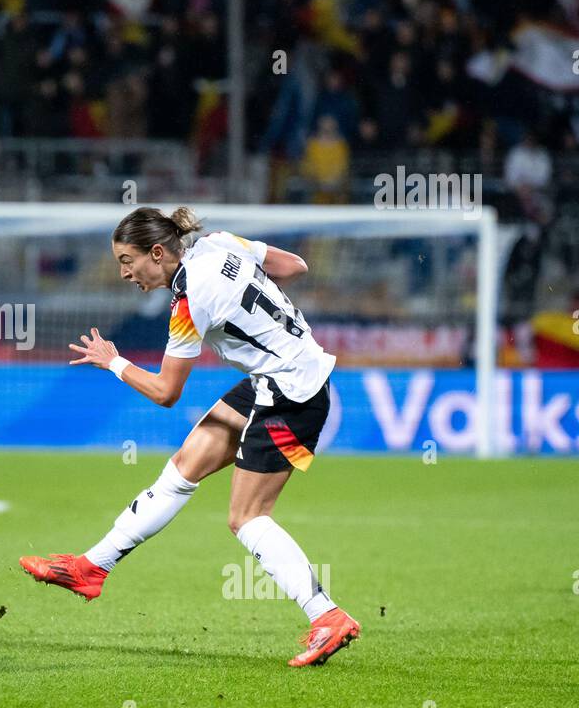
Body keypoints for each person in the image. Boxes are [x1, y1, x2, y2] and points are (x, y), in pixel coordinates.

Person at [20, 207, 360, 667]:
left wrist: (113, 362)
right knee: (185, 466)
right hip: (276, 380)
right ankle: (92, 568)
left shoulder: (189, 300)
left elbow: (166, 393)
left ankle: (328, 616)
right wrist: (256, 306)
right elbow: (296, 266)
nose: (124, 273)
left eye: (128, 260)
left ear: (157, 253)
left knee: (247, 518)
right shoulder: (220, 242)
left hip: (291, 397)